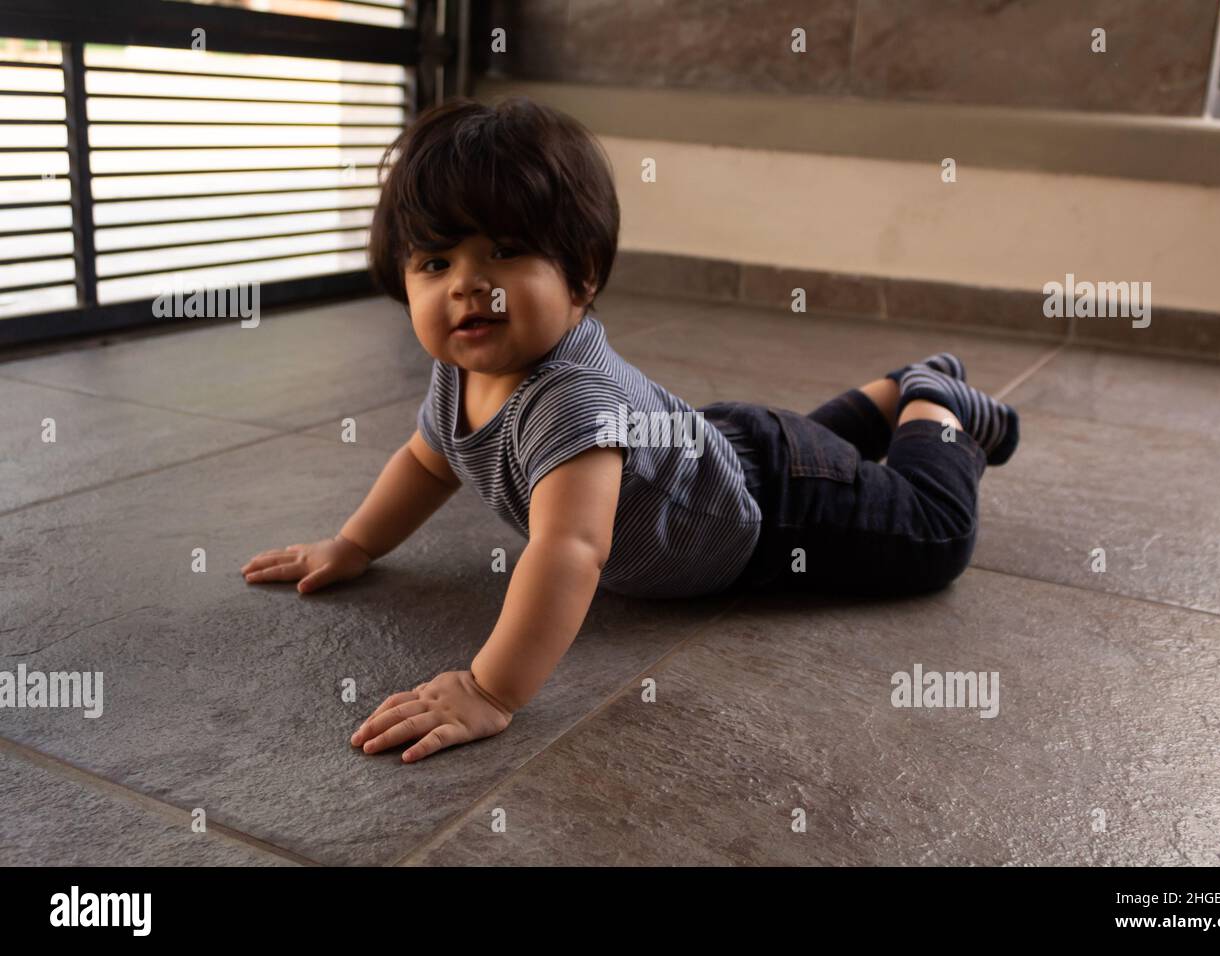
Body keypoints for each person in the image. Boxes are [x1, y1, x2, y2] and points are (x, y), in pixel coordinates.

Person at [240, 96, 1019, 763]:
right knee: (820, 451)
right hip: (723, 454)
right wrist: (355, 544)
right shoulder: (462, 370)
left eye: (504, 253)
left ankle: (930, 404)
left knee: (934, 534)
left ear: (581, 275)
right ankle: (892, 392)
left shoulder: (571, 401)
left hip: (776, 509)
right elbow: (427, 459)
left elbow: (571, 548)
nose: (468, 285)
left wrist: (488, 686)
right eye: (435, 263)